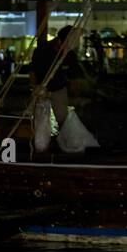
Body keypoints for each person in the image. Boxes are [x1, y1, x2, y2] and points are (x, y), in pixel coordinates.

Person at [30, 25, 98, 155]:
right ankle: (40, 147)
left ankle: (66, 144)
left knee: (63, 118)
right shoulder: (43, 50)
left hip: (59, 89)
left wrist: (80, 92)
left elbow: (74, 76)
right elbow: (32, 72)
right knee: (40, 118)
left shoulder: (69, 54)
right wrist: (35, 88)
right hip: (41, 89)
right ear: (61, 40)